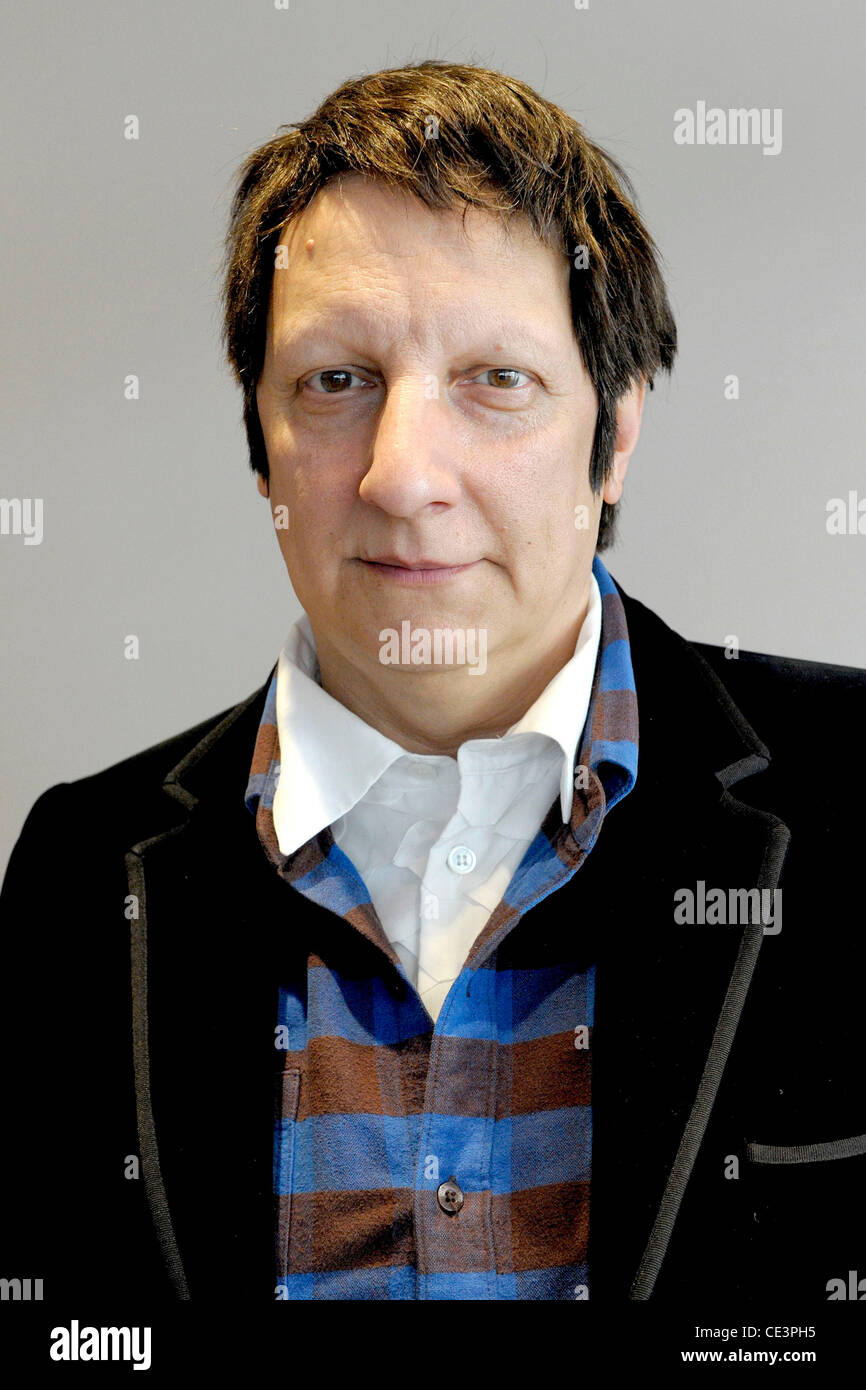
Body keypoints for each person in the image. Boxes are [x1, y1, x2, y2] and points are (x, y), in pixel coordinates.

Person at [1, 60, 864, 1304]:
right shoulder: (79, 870)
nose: (402, 475)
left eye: (495, 379)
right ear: (262, 442)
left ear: (613, 430)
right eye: (336, 381)